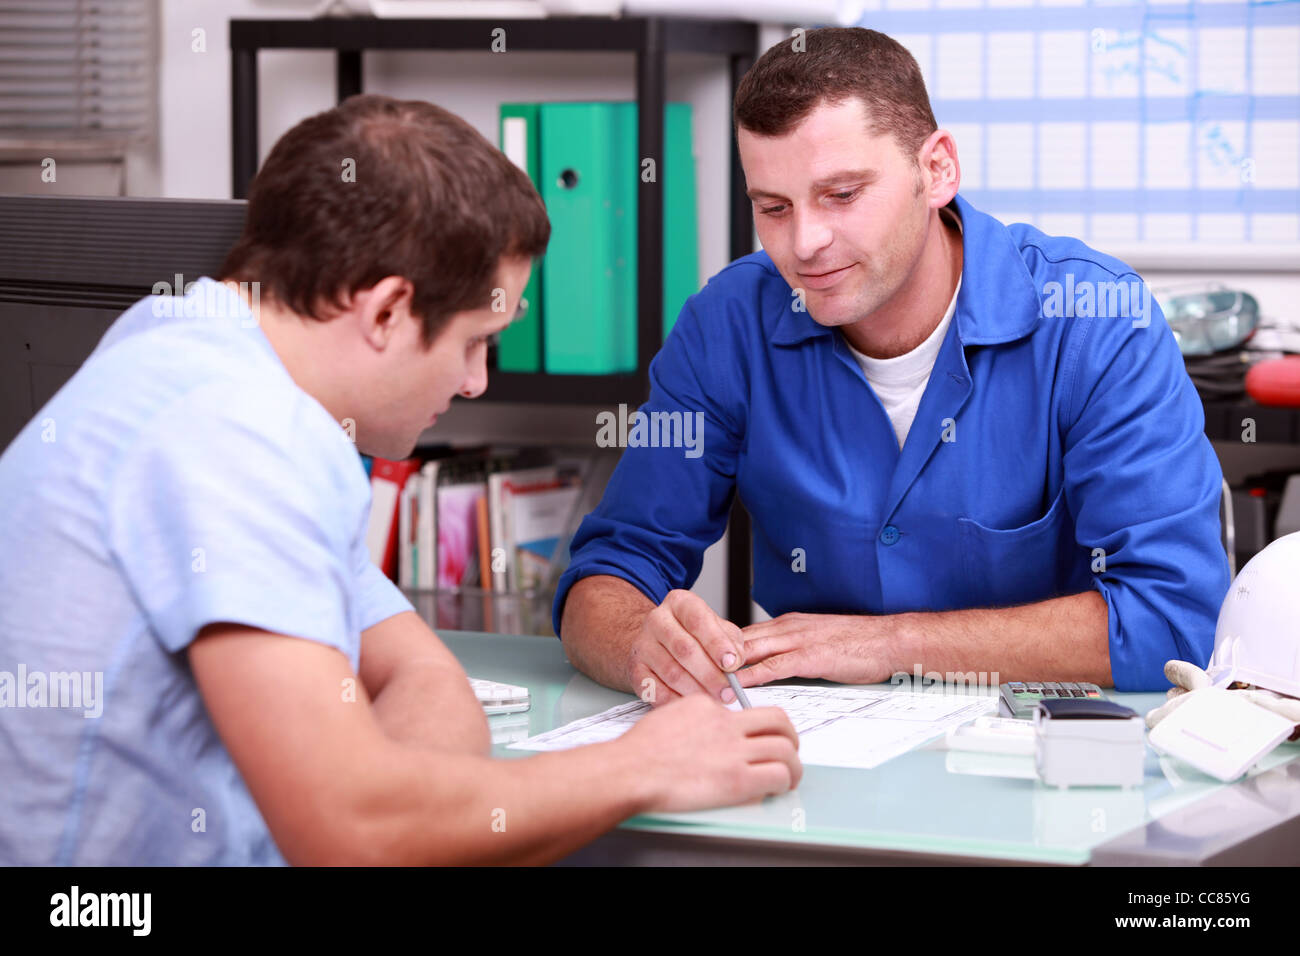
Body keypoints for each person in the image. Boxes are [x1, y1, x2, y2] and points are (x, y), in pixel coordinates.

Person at [0, 95, 801, 866]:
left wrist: (391, 800)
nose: (477, 382)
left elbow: (418, 674)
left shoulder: (204, 354)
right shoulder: (235, 431)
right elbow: (352, 835)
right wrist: (642, 766)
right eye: (476, 341)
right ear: (385, 312)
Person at [555, 27, 1230, 702]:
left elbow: (1172, 622)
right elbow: (608, 574)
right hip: (821, 765)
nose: (806, 243)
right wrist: (643, 642)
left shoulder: (1095, 319)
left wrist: (890, 643)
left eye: (842, 195)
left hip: (1056, 763)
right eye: (773, 208)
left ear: (935, 170)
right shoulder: (727, 324)